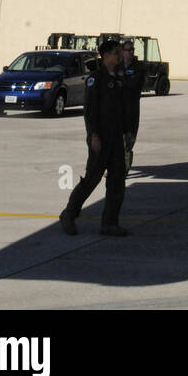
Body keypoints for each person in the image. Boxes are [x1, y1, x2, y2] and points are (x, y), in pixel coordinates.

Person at [59, 40, 130, 236]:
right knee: (91, 179)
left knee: (117, 181)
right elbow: (89, 111)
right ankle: (69, 214)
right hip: (101, 138)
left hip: (116, 138)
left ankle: (109, 223)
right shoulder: (95, 79)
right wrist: (93, 135)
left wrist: (126, 133)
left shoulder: (118, 78)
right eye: (116, 53)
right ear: (105, 55)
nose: (119, 56)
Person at [118, 39, 144, 172]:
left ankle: (125, 165)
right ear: (122, 52)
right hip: (119, 109)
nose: (131, 52)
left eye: (132, 50)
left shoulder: (138, 68)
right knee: (117, 140)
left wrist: (122, 80)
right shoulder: (117, 66)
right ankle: (120, 167)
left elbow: (135, 86)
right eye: (128, 50)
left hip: (132, 109)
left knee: (129, 140)